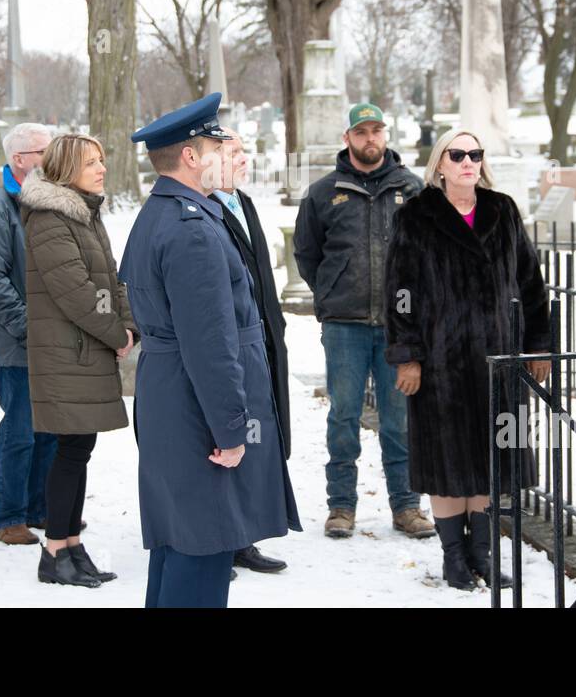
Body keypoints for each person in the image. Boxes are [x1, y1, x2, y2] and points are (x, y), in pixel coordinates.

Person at [120, 93, 300, 608]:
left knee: (180, 543)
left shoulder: (164, 213)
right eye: (216, 146)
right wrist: (232, 429)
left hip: (173, 396)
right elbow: (210, 345)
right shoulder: (192, 229)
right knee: (203, 545)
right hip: (195, 409)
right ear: (192, 157)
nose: (226, 156)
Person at [383, 128, 550, 589]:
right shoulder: (417, 217)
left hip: (497, 360)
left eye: (475, 154)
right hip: (441, 363)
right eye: (457, 155)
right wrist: (407, 356)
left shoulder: (503, 210)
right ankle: (454, 556)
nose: (467, 162)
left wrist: (537, 345)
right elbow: (399, 292)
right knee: (446, 460)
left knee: (489, 459)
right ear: (439, 164)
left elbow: (530, 284)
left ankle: (482, 553)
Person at [292, 102, 433, 540]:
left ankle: (407, 506)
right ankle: (341, 506)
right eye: (361, 132)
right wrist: (332, 292)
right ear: (347, 138)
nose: (370, 139)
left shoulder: (412, 190)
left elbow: (428, 254)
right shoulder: (323, 192)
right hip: (345, 325)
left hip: (399, 327)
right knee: (344, 417)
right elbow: (307, 254)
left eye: (376, 131)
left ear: (385, 135)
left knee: (399, 421)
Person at [19, 132, 134, 588]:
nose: (101, 168)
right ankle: (54, 551)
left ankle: (70, 543)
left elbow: (111, 278)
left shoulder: (85, 212)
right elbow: (76, 293)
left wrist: (129, 325)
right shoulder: (50, 218)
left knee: (77, 450)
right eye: (91, 163)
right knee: (70, 453)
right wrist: (115, 333)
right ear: (67, 170)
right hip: (68, 352)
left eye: (102, 160)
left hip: (85, 349)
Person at [0, 123, 58, 546]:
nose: (52, 156)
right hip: (19, 341)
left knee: (51, 429)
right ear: (20, 159)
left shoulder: (47, 200)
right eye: (45, 151)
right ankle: (9, 516)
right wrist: (27, 325)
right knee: (21, 428)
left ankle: (39, 507)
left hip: (52, 338)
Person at [210, 131, 289, 575]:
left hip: (260, 337)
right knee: (232, 436)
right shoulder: (204, 210)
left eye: (243, 152)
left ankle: (245, 534)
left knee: (258, 437)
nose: (243, 159)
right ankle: (226, 538)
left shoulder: (242, 201)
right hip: (232, 342)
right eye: (232, 153)